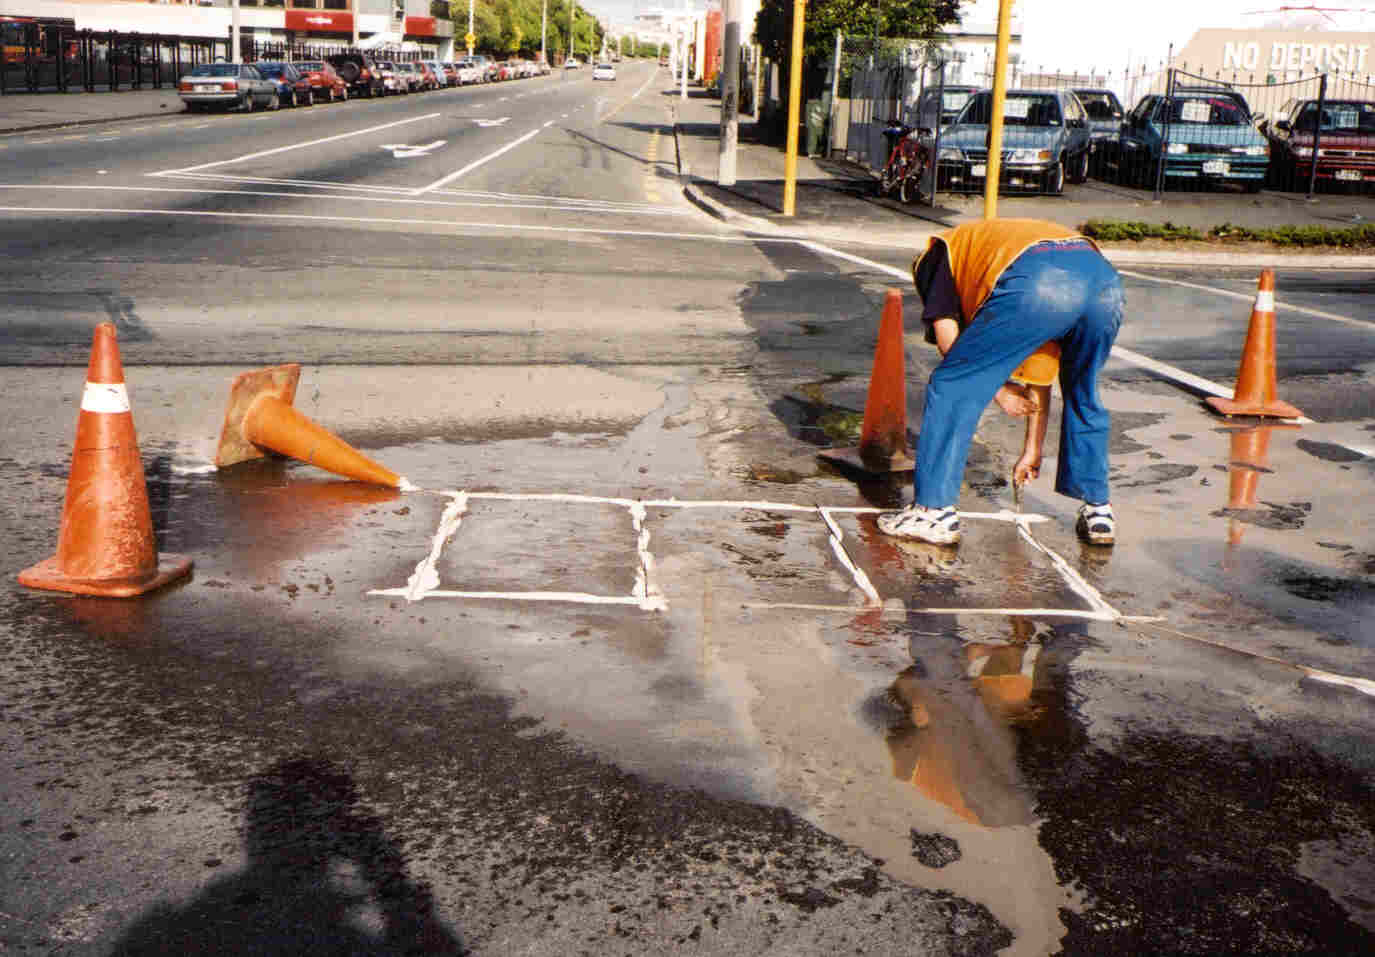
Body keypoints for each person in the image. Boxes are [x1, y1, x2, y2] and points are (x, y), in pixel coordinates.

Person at [876, 218, 1123, 547]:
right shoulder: (994, 250)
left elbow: (950, 343)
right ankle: (1098, 511)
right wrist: (1031, 450)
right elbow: (1039, 368)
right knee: (1084, 391)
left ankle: (933, 511)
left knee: (952, 383)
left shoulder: (936, 256)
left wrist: (999, 390)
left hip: (1039, 277)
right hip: (1104, 283)